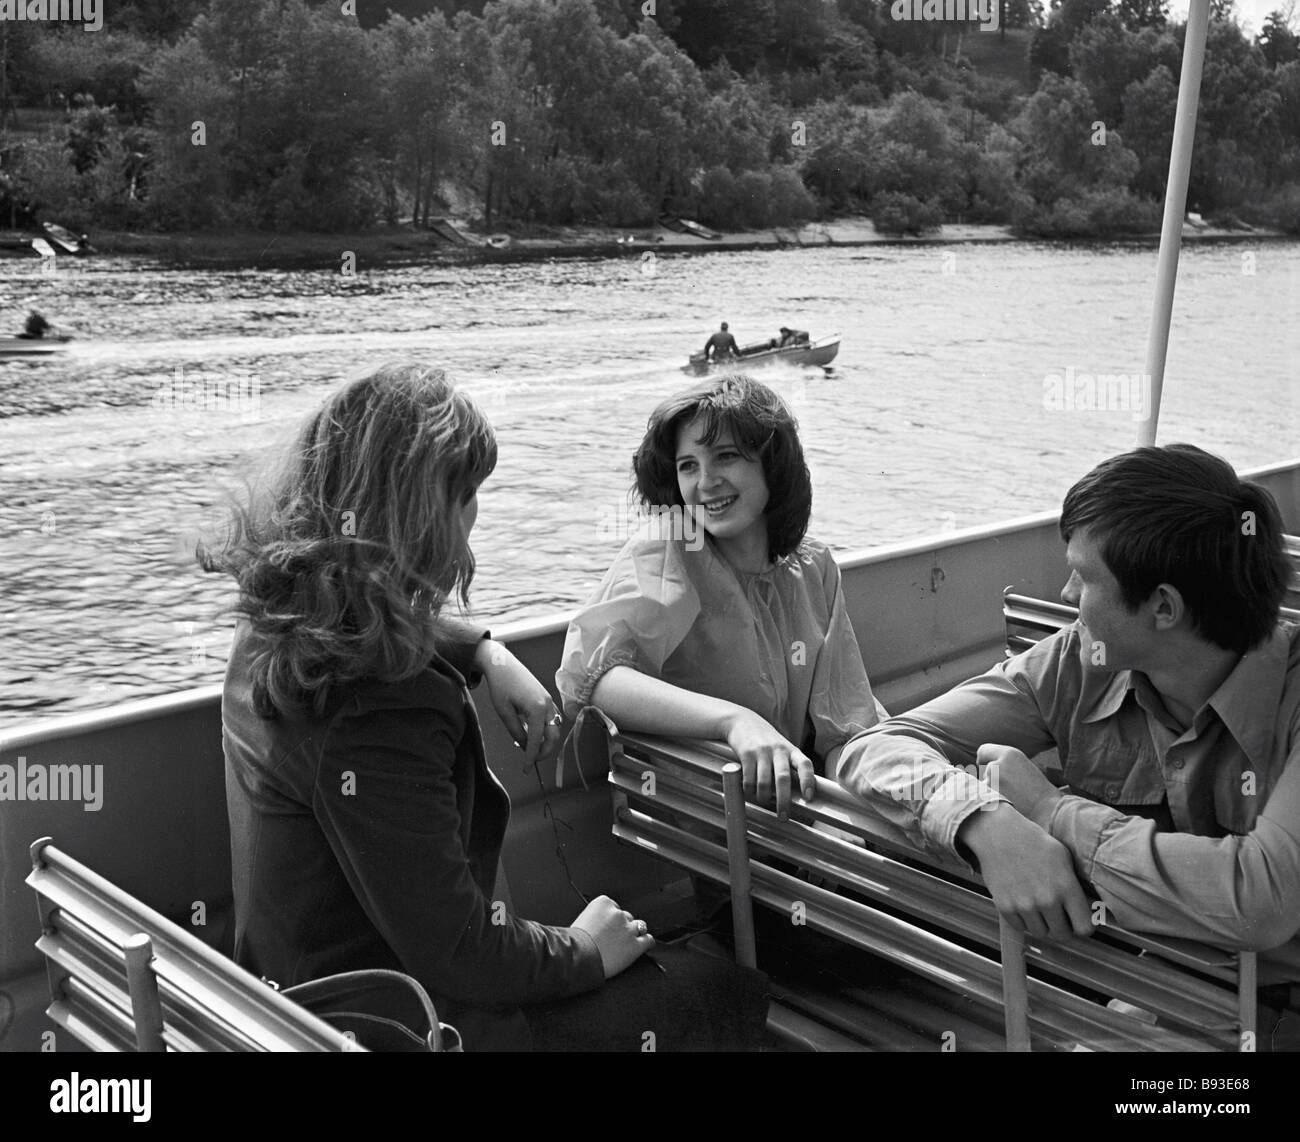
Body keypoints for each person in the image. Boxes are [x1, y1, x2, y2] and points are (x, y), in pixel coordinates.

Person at [207, 363, 766, 1050]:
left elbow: (367, 616)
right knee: (728, 991)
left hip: (293, 1003)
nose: (473, 520)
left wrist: (482, 653)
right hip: (397, 1026)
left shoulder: (276, 621)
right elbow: (462, 951)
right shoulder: (382, 708)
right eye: (465, 495)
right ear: (417, 511)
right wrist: (584, 949)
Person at [833, 445, 1300, 993]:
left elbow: (1263, 899)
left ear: (1163, 608)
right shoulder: (1078, 662)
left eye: (1083, 577)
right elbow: (878, 747)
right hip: (1135, 977)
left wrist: (1051, 812)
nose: (1066, 594)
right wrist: (984, 821)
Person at [557, 374, 887, 820]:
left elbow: (845, 723)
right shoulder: (671, 548)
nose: (706, 482)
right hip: (712, 819)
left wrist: (848, 821)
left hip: (800, 804)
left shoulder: (814, 567)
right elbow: (595, 680)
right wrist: (734, 721)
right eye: (688, 465)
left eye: (725, 457)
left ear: (774, 463)